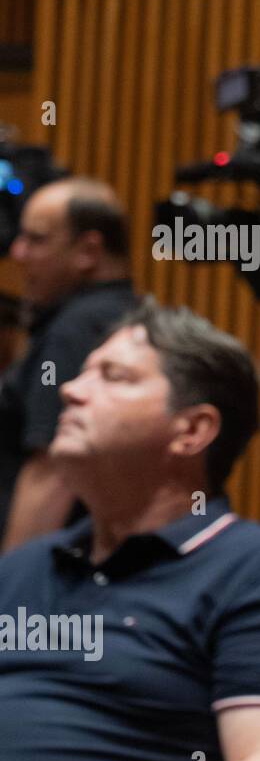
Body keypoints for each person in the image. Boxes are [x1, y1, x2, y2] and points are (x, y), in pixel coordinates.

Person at [0, 300, 260, 761]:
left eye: (114, 376)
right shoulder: (23, 567)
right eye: (81, 374)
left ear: (192, 431)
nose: (71, 390)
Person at [0, 178, 138, 549]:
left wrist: (12, 595)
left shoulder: (74, 331)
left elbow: (52, 472)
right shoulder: (126, 316)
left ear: (89, 250)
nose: (18, 252)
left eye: (36, 240)